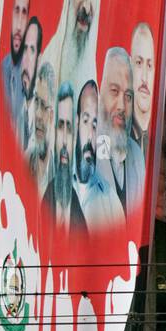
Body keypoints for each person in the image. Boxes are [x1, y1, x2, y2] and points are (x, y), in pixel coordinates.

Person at [96, 47, 145, 216]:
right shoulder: (87, 155)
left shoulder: (137, 157)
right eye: (114, 91)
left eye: (128, 96)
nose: (122, 106)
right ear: (99, 95)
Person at [72, 78, 125, 229]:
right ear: (76, 122)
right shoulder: (58, 187)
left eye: (95, 125)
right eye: (86, 120)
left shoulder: (111, 203)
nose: (90, 135)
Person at [42, 82, 84, 235]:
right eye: (61, 126)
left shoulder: (80, 216)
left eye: (70, 128)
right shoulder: (45, 203)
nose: (65, 141)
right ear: (54, 132)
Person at [0, 0, 30, 126]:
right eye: (16, 10)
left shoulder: (30, 77)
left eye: (24, 13)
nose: (18, 25)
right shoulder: (2, 68)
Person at [28, 60, 56, 194]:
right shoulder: (24, 161)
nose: (38, 114)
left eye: (44, 106)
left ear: (53, 116)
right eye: (36, 102)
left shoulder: (59, 175)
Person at [130, 23, 155, 157]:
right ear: (130, 65)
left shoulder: (160, 134)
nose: (144, 78)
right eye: (139, 63)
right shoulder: (118, 134)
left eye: (150, 65)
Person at [17, 17, 42, 150]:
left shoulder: (42, 118)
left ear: (39, 59)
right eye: (24, 50)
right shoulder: (16, 110)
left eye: (31, 50)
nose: (26, 60)